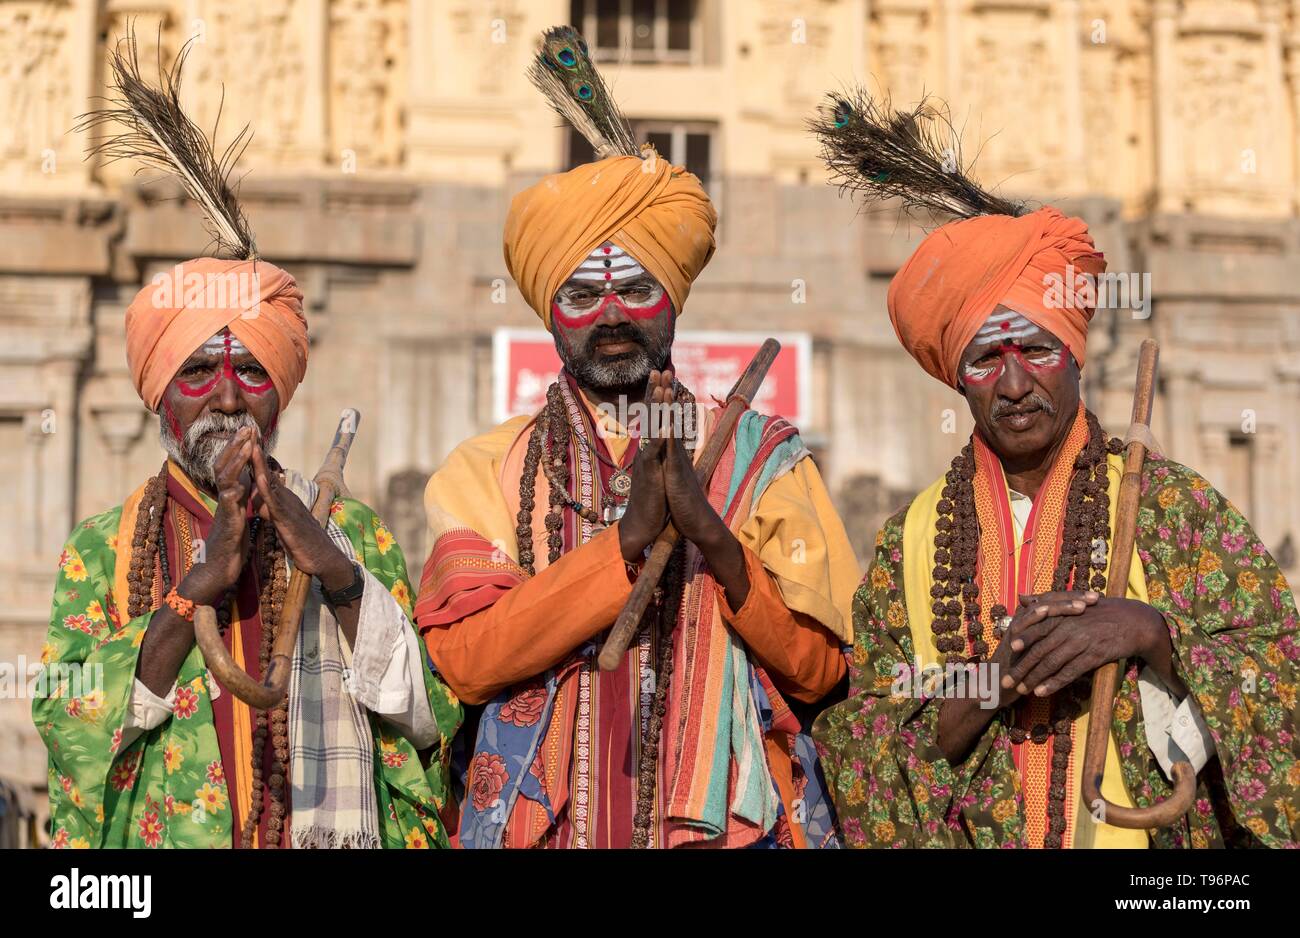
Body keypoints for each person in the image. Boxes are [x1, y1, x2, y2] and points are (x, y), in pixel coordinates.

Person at [414, 28, 860, 848]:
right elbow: (469, 660)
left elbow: (821, 669)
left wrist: (715, 542)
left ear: (674, 298)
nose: (612, 314)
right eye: (582, 292)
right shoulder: (485, 469)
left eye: (636, 288)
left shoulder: (761, 461)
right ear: (549, 309)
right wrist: (626, 543)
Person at [32, 37, 459, 849]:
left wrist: (335, 574)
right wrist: (198, 585)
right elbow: (70, 724)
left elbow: (432, 718)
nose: (228, 396)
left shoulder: (355, 534)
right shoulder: (104, 549)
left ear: (281, 388)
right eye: (197, 371)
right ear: (158, 393)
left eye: (251, 371)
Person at [813, 191, 1300, 848]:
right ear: (960, 378)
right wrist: (993, 680)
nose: (1014, 385)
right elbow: (860, 743)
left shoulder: (1169, 506)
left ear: (1074, 355)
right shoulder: (912, 540)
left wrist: (1152, 633)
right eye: (987, 358)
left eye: (1036, 350)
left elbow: (1281, 675)